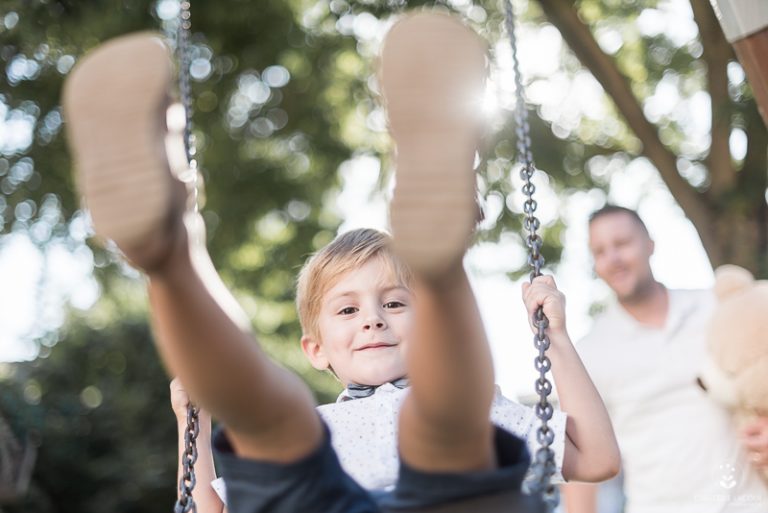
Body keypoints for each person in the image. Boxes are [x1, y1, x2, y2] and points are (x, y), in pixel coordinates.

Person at [63, 12, 619, 513]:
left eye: (395, 302)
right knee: (295, 423)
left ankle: (171, 260)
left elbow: (595, 462)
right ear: (316, 348)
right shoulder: (326, 425)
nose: (373, 319)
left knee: (311, 422)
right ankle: (170, 251)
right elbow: (593, 458)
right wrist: (195, 421)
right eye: (347, 311)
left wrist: (558, 339)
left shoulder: (488, 411)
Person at [562, 205, 768, 513]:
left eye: (622, 243)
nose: (613, 259)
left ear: (650, 244)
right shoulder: (590, 351)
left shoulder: (712, 306)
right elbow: (580, 459)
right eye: (600, 251)